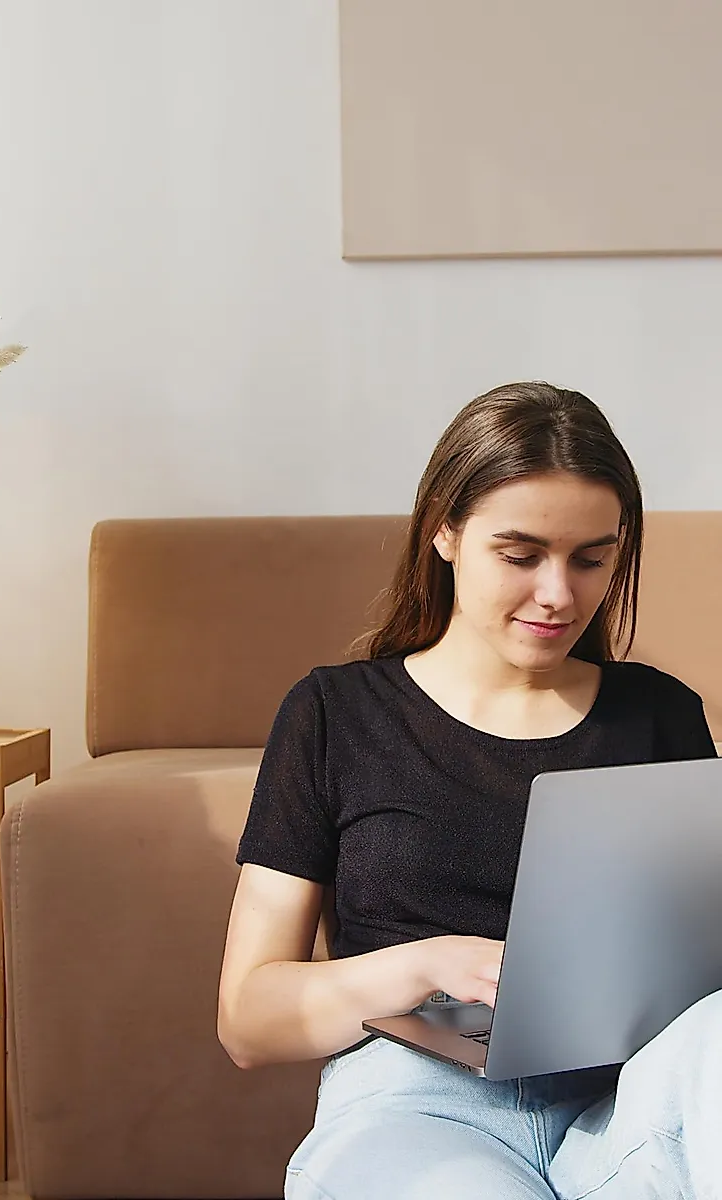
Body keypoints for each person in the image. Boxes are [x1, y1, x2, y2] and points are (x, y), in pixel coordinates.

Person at [217, 382, 721, 1199]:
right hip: (420, 1106)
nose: (559, 594)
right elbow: (248, 1015)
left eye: (592, 558)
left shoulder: (658, 714)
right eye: (520, 556)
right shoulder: (335, 714)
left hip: (627, 1106)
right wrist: (427, 966)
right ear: (445, 532)